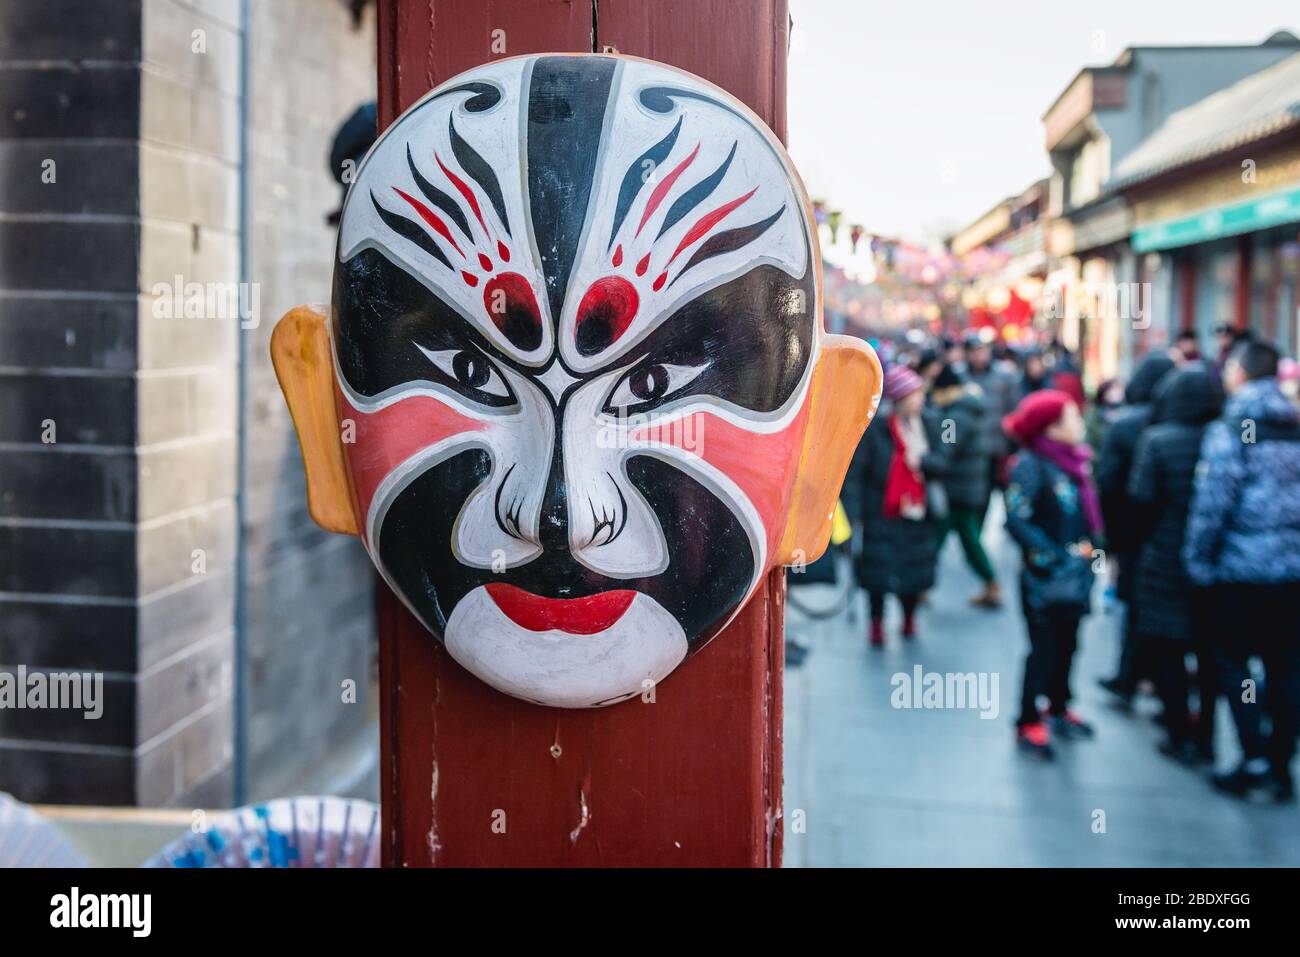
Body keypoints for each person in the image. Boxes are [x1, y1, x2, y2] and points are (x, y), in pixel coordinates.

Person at [1184, 340, 1300, 801]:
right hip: (1291, 572)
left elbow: (1213, 502)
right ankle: (1279, 764)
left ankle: (1252, 755)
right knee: (1287, 666)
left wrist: (1198, 561)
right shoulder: (1293, 423)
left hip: (1242, 570)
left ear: (1241, 372)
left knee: (1235, 663)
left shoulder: (1235, 427)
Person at [1127, 366, 1224, 765]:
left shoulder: (1158, 440)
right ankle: (1205, 734)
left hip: (1165, 556)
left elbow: (1141, 499)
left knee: (1166, 646)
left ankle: (1177, 725)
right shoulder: (1223, 438)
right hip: (1216, 558)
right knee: (1209, 650)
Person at [1003, 390, 1103, 758]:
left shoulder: (1076, 462)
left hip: (1077, 574)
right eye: (1072, 417)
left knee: (1070, 644)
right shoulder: (1030, 464)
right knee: (1043, 648)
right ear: (1051, 427)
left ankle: (1059, 706)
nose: (1080, 423)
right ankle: (1028, 719)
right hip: (1044, 576)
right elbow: (1016, 518)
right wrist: (1054, 554)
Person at [1094, 352, 1177, 704]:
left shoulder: (1126, 425)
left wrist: (1109, 541)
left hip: (1134, 531)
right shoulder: (1179, 424)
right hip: (1168, 533)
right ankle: (1154, 679)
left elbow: (1108, 485)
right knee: (1166, 611)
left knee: (1137, 606)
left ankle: (1131, 677)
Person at [843, 364, 946, 647]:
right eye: (915, 394)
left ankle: (909, 617)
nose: (921, 399)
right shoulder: (875, 429)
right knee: (877, 572)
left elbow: (943, 461)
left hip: (916, 511)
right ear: (900, 398)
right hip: (880, 512)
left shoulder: (929, 424)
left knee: (913, 569)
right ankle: (876, 623)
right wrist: (852, 516)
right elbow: (856, 473)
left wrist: (923, 462)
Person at [927, 365, 1000, 608]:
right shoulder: (969, 410)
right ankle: (991, 584)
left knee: (942, 540)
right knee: (967, 540)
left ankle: (919, 586)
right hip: (967, 489)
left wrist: (923, 460)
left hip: (957, 491)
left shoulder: (954, 418)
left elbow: (945, 452)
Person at [963, 335, 1018, 518]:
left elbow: (1013, 411)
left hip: (997, 448)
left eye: (983, 350)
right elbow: (948, 420)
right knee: (974, 499)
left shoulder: (1004, 376)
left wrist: (1012, 443)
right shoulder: (958, 375)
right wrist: (949, 441)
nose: (979, 356)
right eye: (975, 351)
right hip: (968, 451)